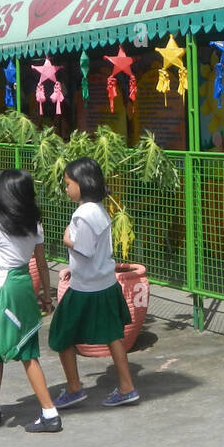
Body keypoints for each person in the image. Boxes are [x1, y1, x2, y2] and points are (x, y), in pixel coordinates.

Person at [0, 169, 60, 433]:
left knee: (25, 353)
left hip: (3, 290)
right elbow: (40, 263)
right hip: (24, 285)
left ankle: (50, 412)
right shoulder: (34, 223)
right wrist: (47, 298)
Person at [49, 158, 140, 409]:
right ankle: (126, 386)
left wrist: (67, 239)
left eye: (68, 183)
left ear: (82, 184)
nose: (66, 188)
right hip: (104, 282)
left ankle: (74, 388)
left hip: (86, 288)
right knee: (113, 336)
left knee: (60, 334)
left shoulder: (83, 214)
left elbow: (85, 249)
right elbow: (95, 251)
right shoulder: (99, 209)